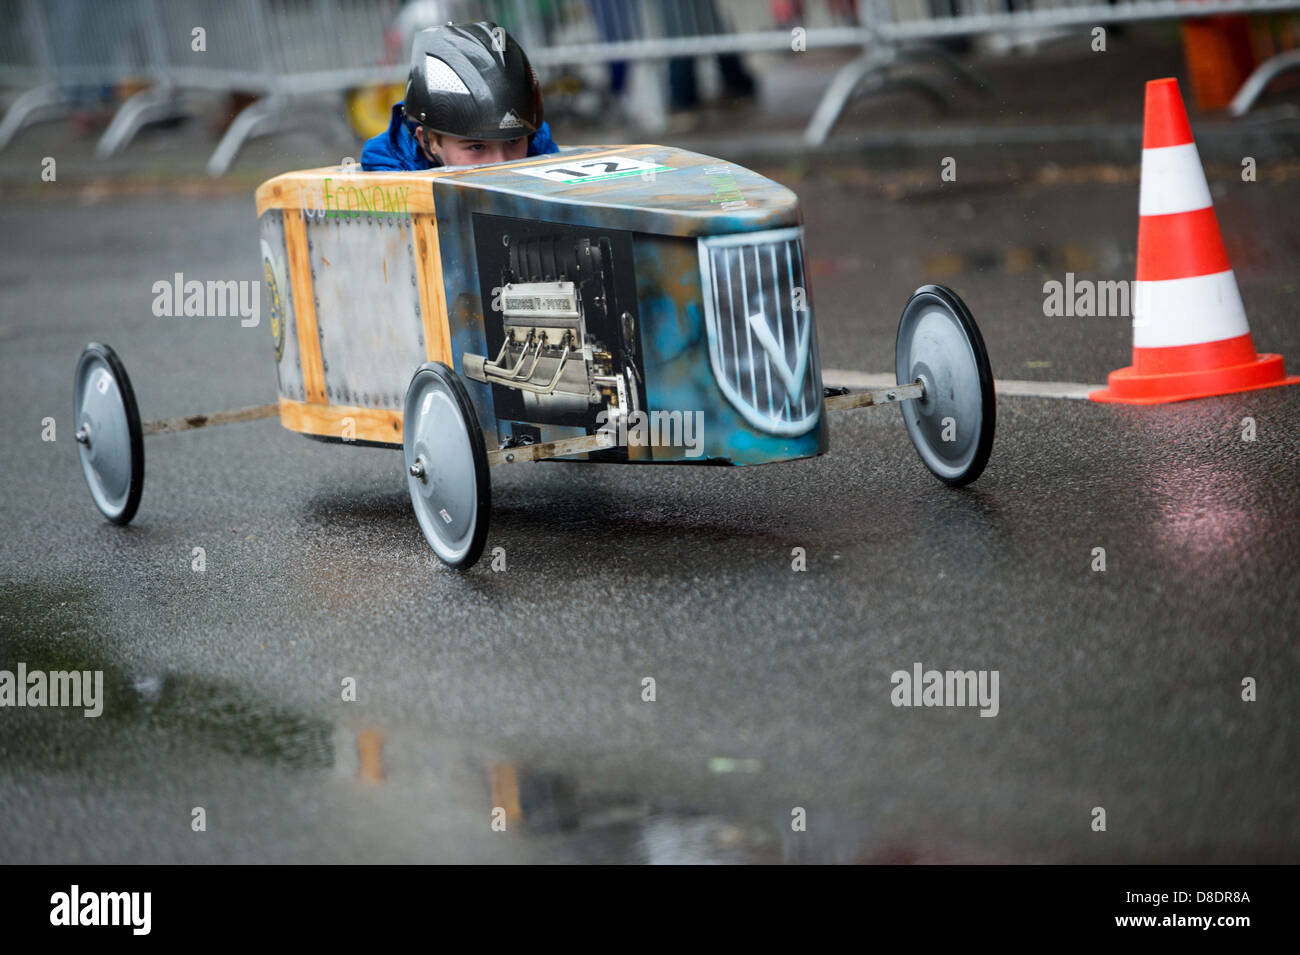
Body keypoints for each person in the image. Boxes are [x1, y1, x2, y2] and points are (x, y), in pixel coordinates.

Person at [361, 21, 559, 172]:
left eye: (513, 141)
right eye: (477, 147)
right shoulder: (389, 165)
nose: (502, 163)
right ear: (427, 141)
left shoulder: (537, 143)